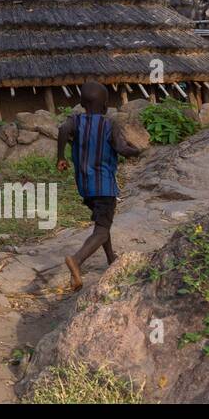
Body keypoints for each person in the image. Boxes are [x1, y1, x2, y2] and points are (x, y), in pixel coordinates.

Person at [56, 81, 142, 292]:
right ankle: (76, 260)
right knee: (102, 229)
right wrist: (137, 151)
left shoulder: (75, 121)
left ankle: (111, 257)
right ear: (105, 105)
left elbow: (62, 129)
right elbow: (121, 148)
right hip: (103, 186)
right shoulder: (109, 125)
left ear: (82, 103)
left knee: (103, 224)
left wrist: (60, 157)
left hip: (86, 187)